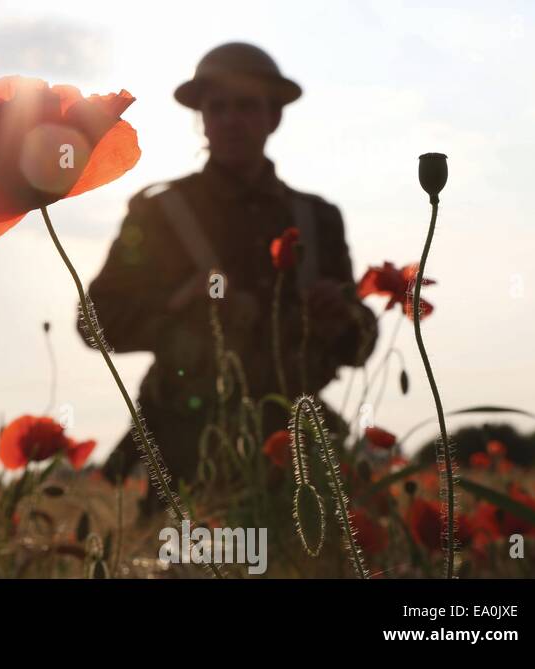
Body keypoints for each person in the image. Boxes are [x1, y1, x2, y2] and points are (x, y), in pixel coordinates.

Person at [80, 42, 378, 488]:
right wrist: (181, 301)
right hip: (188, 450)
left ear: (273, 117)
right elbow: (94, 323)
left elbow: (361, 347)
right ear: (201, 119)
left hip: (294, 450)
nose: (230, 120)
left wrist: (342, 319)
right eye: (217, 108)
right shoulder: (158, 214)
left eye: (246, 106)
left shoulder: (317, 219)